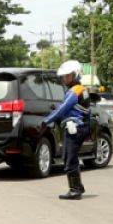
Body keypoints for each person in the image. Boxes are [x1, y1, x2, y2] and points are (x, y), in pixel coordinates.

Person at [42, 60, 93, 200]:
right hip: (80, 127)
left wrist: (46, 121)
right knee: (68, 156)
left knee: (70, 158)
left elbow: (61, 109)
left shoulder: (74, 92)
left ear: (75, 75)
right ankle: (78, 186)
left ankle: (75, 190)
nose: (65, 79)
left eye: (68, 76)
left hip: (76, 128)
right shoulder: (80, 89)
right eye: (64, 76)